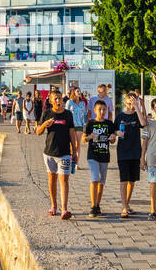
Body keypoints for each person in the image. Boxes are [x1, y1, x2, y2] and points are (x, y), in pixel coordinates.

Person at [36, 90, 76, 219]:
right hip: (49, 153)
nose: (59, 101)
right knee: (52, 179)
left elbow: (72, 133)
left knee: (64, 180)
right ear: (51, 101)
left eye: (60, 98)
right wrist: (45, 124)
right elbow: (38, 132)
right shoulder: (47, 113)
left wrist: (74, 150)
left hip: (64, 153)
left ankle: (64, 209)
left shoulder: (68, 114)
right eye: (56, 98)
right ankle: (53, 206)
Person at [83, 100, 116, 218]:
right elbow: (83, 139)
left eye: (104, 109)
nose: (102, 112)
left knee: (101, 182)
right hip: (93, 155)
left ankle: (97, 205)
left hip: (104, 156)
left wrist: (112, 138)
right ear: (95, 110)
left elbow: (112, 140)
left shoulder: (109, 123)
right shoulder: (90, 123)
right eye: (99, 109)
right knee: (95, 179)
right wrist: (90, 137)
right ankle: (93, 206)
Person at [113, 91, 143, 218]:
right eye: (130, 101)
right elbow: (113, 130)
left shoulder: (137, 116)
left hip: (135, 151)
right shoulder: (119, 116)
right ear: (125, 102)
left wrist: (137, 107)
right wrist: (116, 133)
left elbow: (143, 123)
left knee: (132, 181)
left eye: (134, 101)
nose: (132, 104)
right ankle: (124, 207)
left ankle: (127, 204)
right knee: (124, 180)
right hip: (123, 152)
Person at [66, 86, 89, 162]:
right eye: (77, 91)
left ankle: (76, 163)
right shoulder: (69, 102)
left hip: (80, 125)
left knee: (77, 144)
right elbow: (66, 113)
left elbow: (85, 114)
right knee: (72, 144)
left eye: (79, 91)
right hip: (71, 126)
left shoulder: (83, 103)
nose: (79, 93)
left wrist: (86, 125)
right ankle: (70, 159)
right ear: (74, 93)